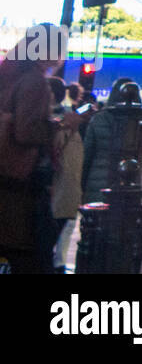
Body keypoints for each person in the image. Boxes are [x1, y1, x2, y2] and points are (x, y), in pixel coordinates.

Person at [0, 25, 61, 274]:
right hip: (18, 186)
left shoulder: (8, 75)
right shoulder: (34, 81)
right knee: (31, 259)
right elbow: (26, 132)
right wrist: (56, 127)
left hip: (5, 181)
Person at [81, 79, 142, 199]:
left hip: (97, 183)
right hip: (129, 182)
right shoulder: (140, 120)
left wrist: (82, 184)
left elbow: (87, 155)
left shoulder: (98, 119)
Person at [48, 78, 83, 273]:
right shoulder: (69, 126)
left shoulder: (57, 125)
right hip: (66, 190)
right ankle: (58, 263)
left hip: (56, 189)